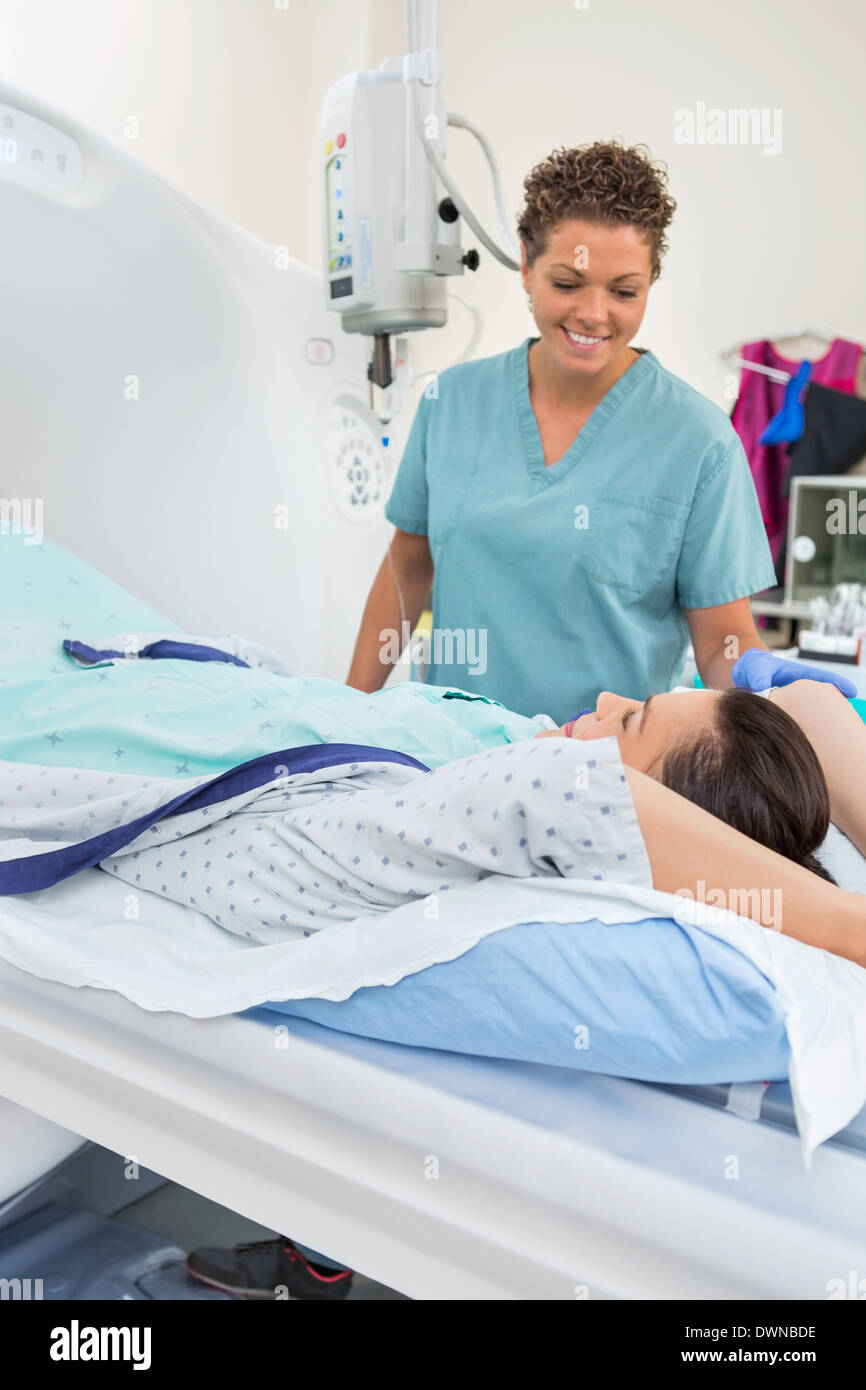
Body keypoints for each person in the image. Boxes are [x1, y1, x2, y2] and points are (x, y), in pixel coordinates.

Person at [185, 681, 866, 1298]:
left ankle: (312, 1260)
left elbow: (583, 792)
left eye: (630, 721)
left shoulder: (550, 798)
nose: (602, 697)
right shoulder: (540, 754)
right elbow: (809, 702)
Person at [346, 140, 855, 720]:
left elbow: (720, 643)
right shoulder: (450, 402)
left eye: (623, 292)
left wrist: (766, 687)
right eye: (567, 283)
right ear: (526, 267)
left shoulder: (700, 442)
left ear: (650, 283)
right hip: (448, 760)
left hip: (600, 778)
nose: (594, 313)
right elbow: (408, 568)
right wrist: (344, 715)